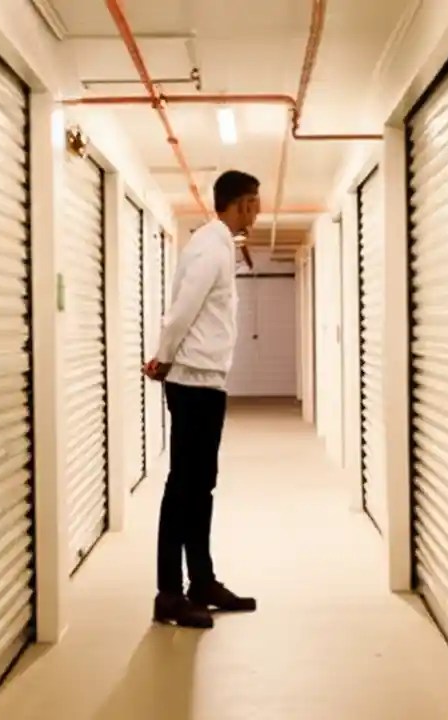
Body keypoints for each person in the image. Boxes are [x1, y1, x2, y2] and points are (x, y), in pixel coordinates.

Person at [143, 170, 262, 629]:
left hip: (206, 383)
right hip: (192, 384)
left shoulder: (220, 248)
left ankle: (202, 582)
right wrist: (164, 360)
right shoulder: (209, 249)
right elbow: (181, 314)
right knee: (183, 490)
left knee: (200, 488)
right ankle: (169, 593)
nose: (257, 211)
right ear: (242, 203)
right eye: (254, 203)